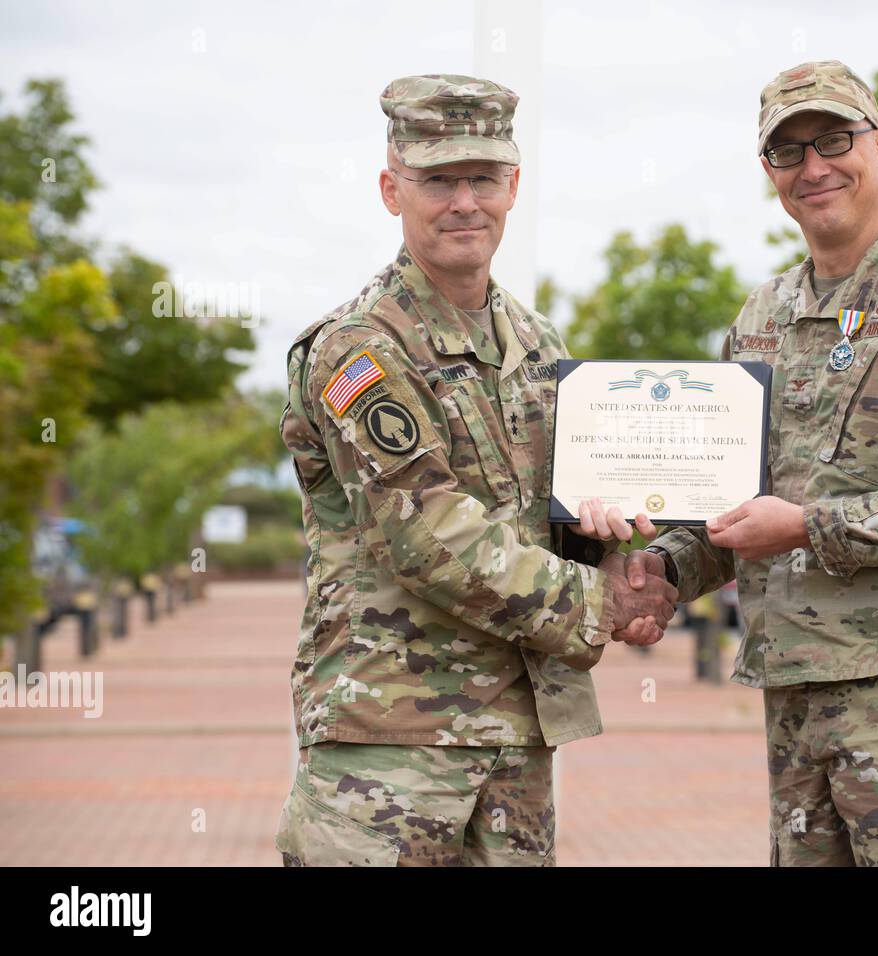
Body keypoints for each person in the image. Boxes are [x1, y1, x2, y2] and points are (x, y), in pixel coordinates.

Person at [579, 60, 878, 866]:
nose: (814, 168)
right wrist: (658, 571)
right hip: (799, 702)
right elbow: (734, 503)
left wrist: (806, 527)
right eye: (787, 152)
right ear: (768, 171)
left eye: (834, 139)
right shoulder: (763, 318)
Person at [274, 73, 676, 867]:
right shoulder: (359, 349)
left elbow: (547, 525)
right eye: (438, 180)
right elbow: (429, 535)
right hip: (387, 749)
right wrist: (603, 602)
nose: (464, 201)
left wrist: (616, 542)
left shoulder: (539, 346)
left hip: (517, 745)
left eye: (483, 178)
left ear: (513, 186)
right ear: (393, 189)